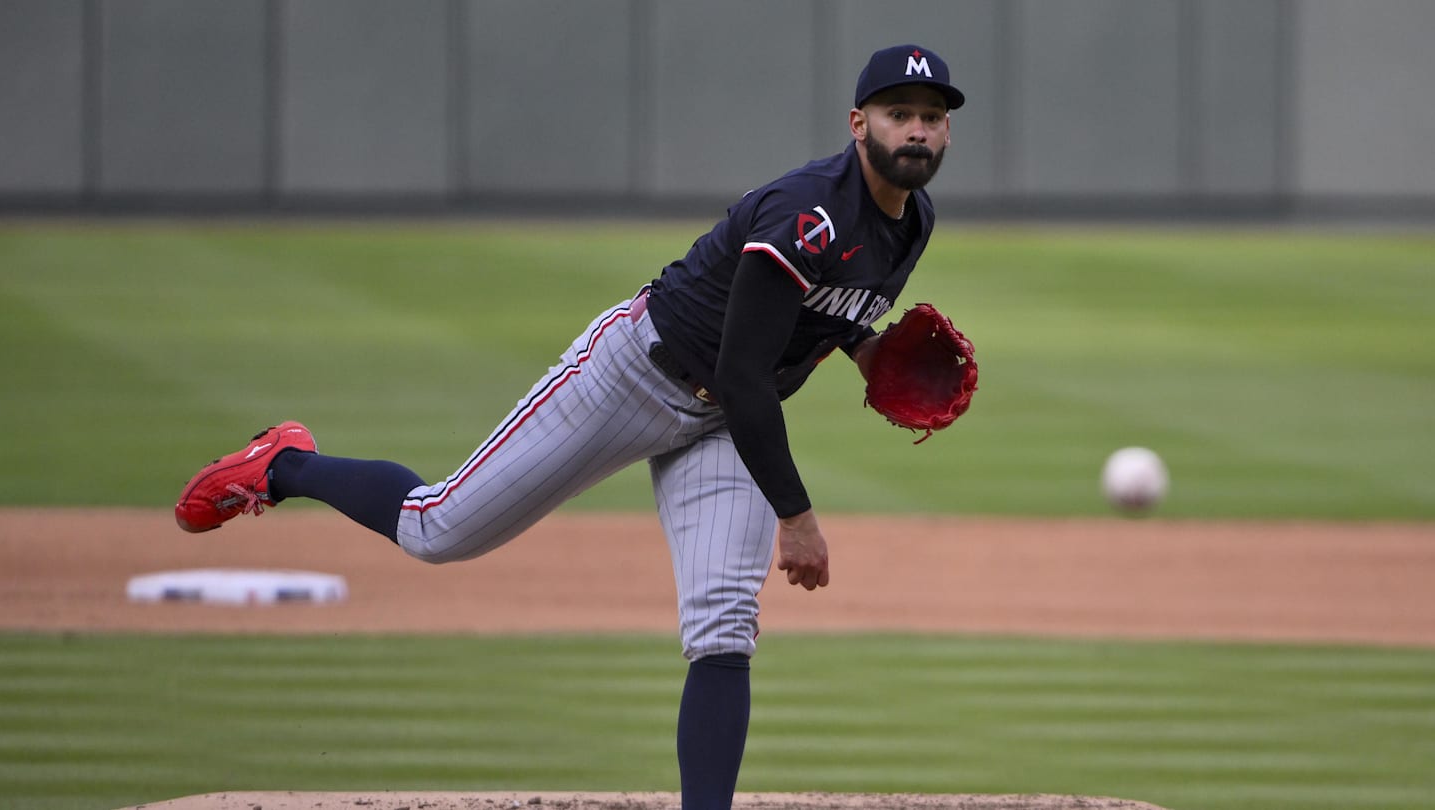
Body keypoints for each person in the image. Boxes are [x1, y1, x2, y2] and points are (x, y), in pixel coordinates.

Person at [175, 44, 964, 810]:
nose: (916, 130)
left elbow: (817, 314)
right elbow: (744, 372)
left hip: (729, 419)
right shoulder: (806, 213)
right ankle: (284, 464)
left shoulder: (912, 220)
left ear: (947, 132)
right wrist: (796, 517)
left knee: (724, 627)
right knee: (436, 528)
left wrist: (864, 349)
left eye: (931, 116)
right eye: (898, 113)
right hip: (635, 374)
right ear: (858, 124)